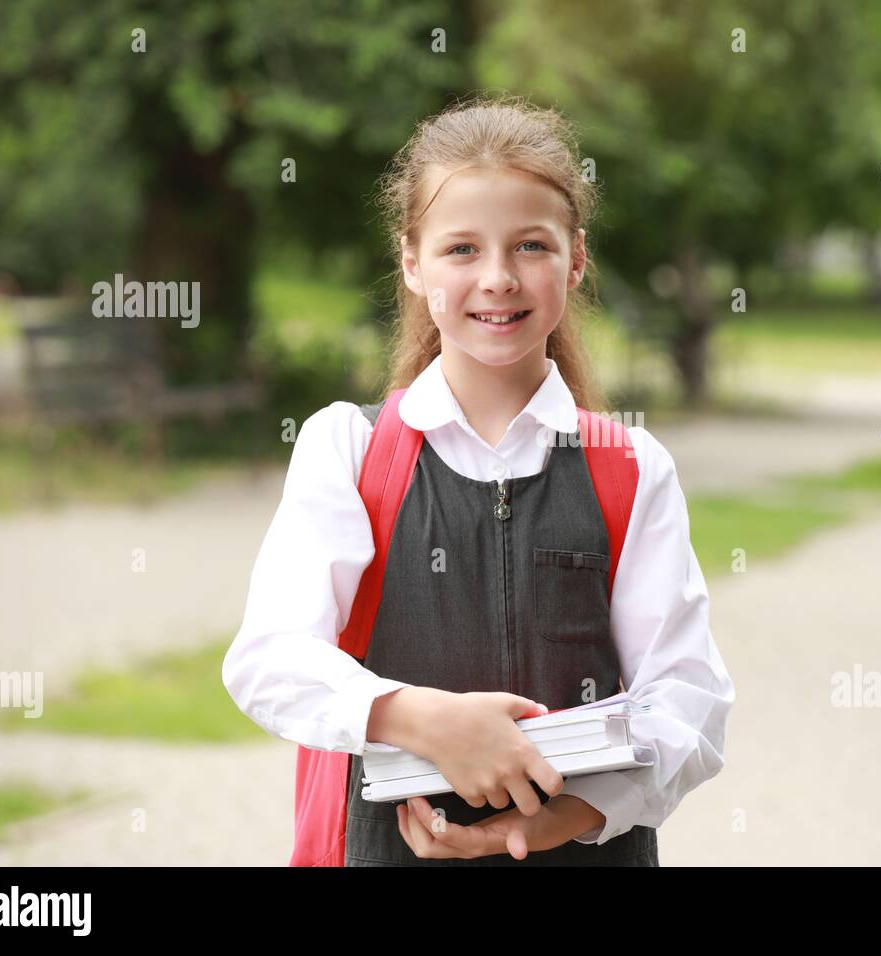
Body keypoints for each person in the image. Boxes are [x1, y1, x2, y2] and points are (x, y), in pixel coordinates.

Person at [222, 94, 735, 866]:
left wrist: (561, 817)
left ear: (577, 258)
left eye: (531, 246)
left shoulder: (631, 468)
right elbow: (269, 657)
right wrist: (425, 721)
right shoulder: (349, 451)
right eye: (461, 249)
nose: (498, 278)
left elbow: (688, 703)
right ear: (411, 260)